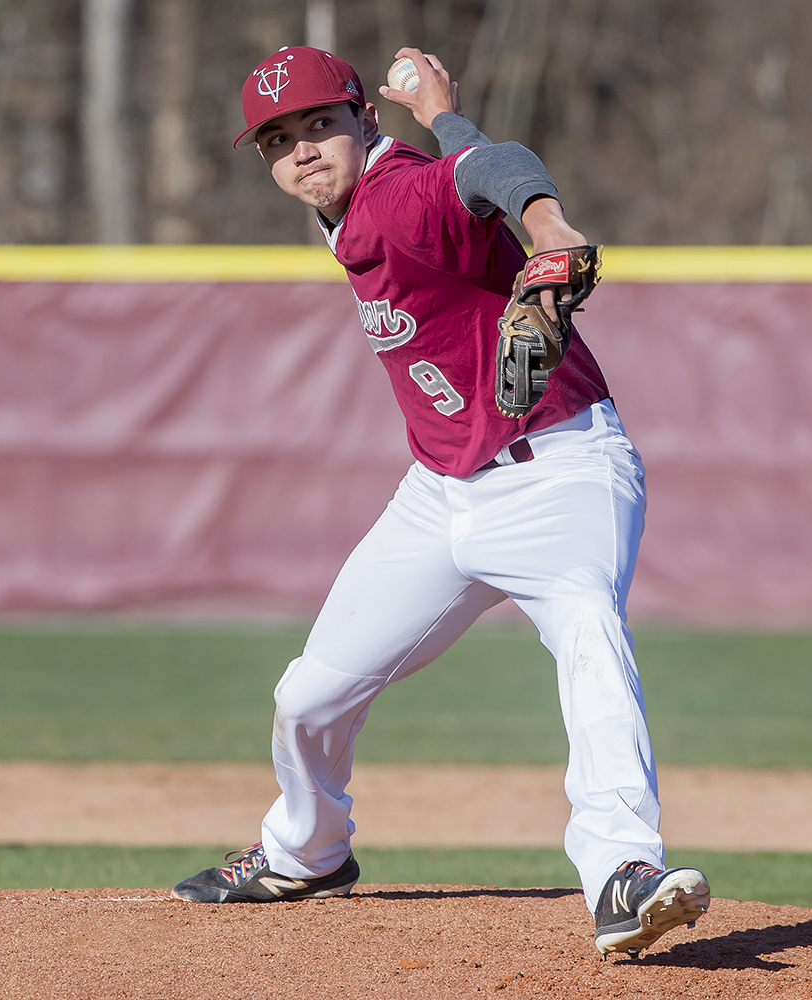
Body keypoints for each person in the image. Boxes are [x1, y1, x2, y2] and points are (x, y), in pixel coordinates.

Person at [172, 44, 710, 958]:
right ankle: (306, 851)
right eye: (277, 141)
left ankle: (624, 871)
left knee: (587, 632)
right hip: (439, 491)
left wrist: (553, 233)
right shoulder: (345, 203)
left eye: (319, 126)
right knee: (308, 696)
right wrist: (440, 109)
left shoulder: (397, 195)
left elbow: (498, 170)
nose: (301, 151)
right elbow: (469, 155)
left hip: (559, 470)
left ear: (364, 125)